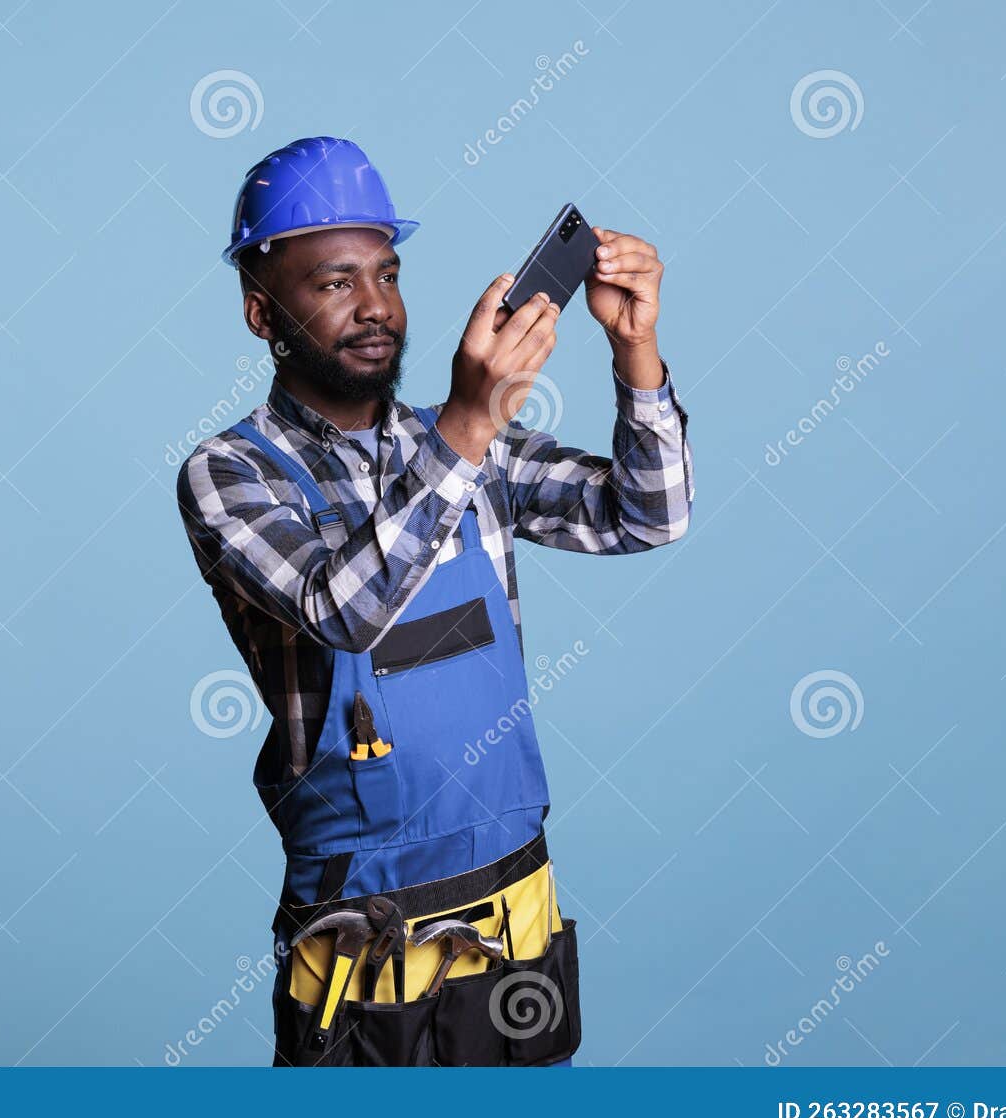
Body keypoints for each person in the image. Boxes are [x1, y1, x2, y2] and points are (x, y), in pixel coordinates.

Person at [177, 137, 694, 1066]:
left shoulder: (465, 442)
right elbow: (344, 609)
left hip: (513, 912)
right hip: (361, 941)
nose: (376, 307)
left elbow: (646, 515)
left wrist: (636, 352)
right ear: (262, 312)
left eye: (386, 273)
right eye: (335, 283)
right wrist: (466, 424)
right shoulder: (232, 473)